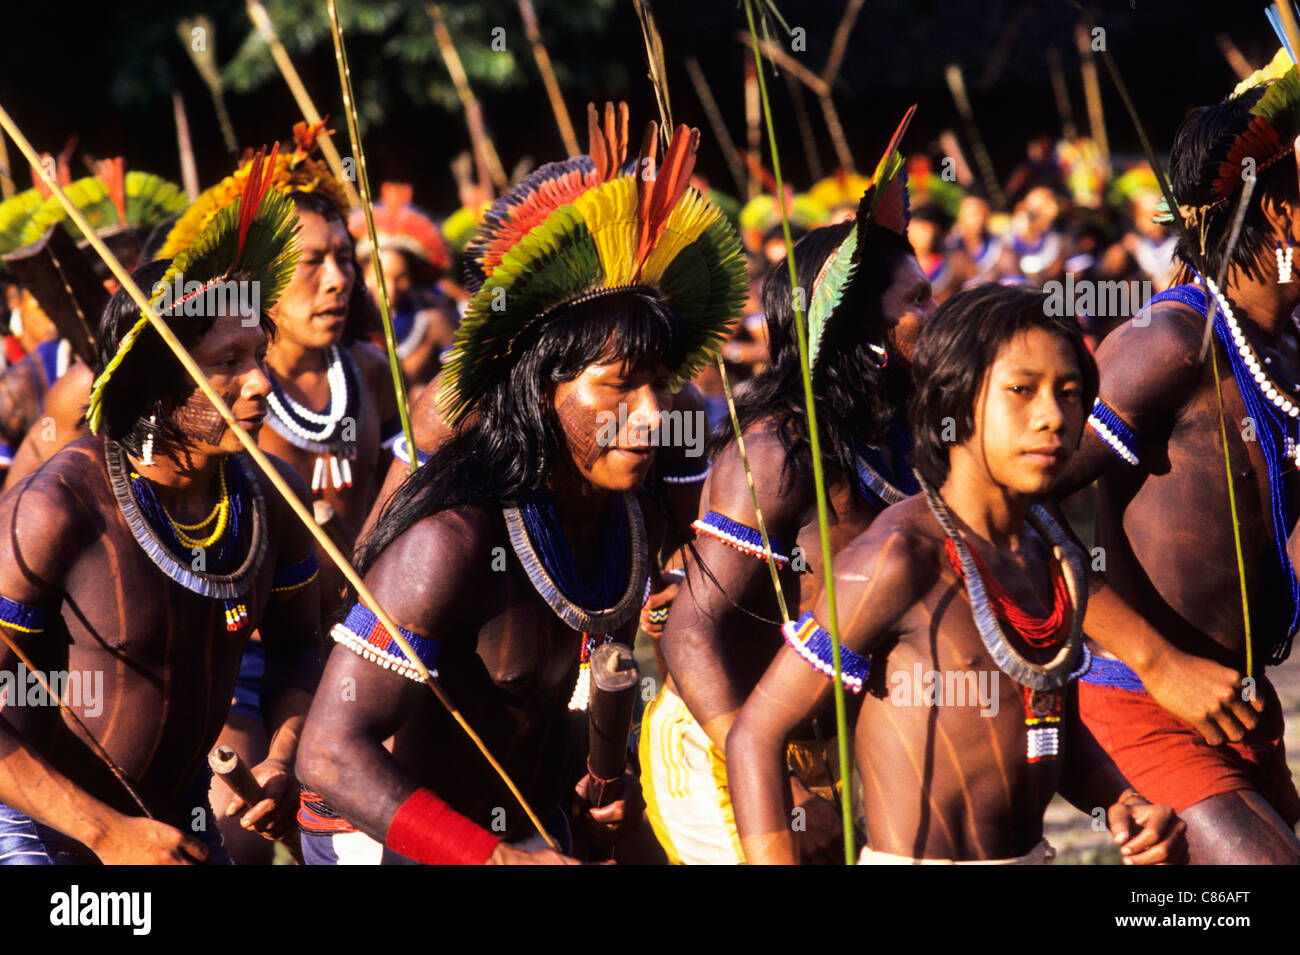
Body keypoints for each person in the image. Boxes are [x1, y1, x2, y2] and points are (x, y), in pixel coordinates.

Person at [294, 104, 746, 864]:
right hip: (391, 838)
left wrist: (595, 782)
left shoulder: (628, 514)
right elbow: (331, 754)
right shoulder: (451, 542)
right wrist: (493, 858)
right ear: (542, 389)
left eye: (660, 384)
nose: (648, 416)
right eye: (619, 385)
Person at [727, 283, 1186, 865]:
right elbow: (756, 735)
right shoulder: (898, 557)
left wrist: (1120, 799)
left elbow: (1047, 726)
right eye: (1021, 391)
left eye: (1070, 394)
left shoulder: (1050, 554)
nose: (1052, 417)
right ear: (957, 401)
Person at [0, 158, 320, 864]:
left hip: (176, 824)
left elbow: (304, 645)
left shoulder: (270, 502)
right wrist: (104, 832)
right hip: (37, 829)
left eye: (259, 356)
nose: (260, 384)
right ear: (156, 383)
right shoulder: (58, 506)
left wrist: (283, 757)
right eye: (227, 362)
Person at [651, 108, 936, 864]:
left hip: (826, 756)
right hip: (725, 748)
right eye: (916, 303)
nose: (935, 318)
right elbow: (688, 629)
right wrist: (764, 766)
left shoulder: (909, 430)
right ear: (858, 331)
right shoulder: (778, 449)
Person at [1055, 57, 1300, 863]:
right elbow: (1005, 508)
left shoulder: (1284, 348)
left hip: (1240, 706)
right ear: (1283, 215)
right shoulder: (1169, 343)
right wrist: (1161, 664)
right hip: (1142, 701)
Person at [349, 182, 459, 394]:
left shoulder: (434, 319)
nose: (391, 289)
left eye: (400, 278)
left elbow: (464, 379)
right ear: (364, 274)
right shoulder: (348, 324)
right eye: (381, 278)